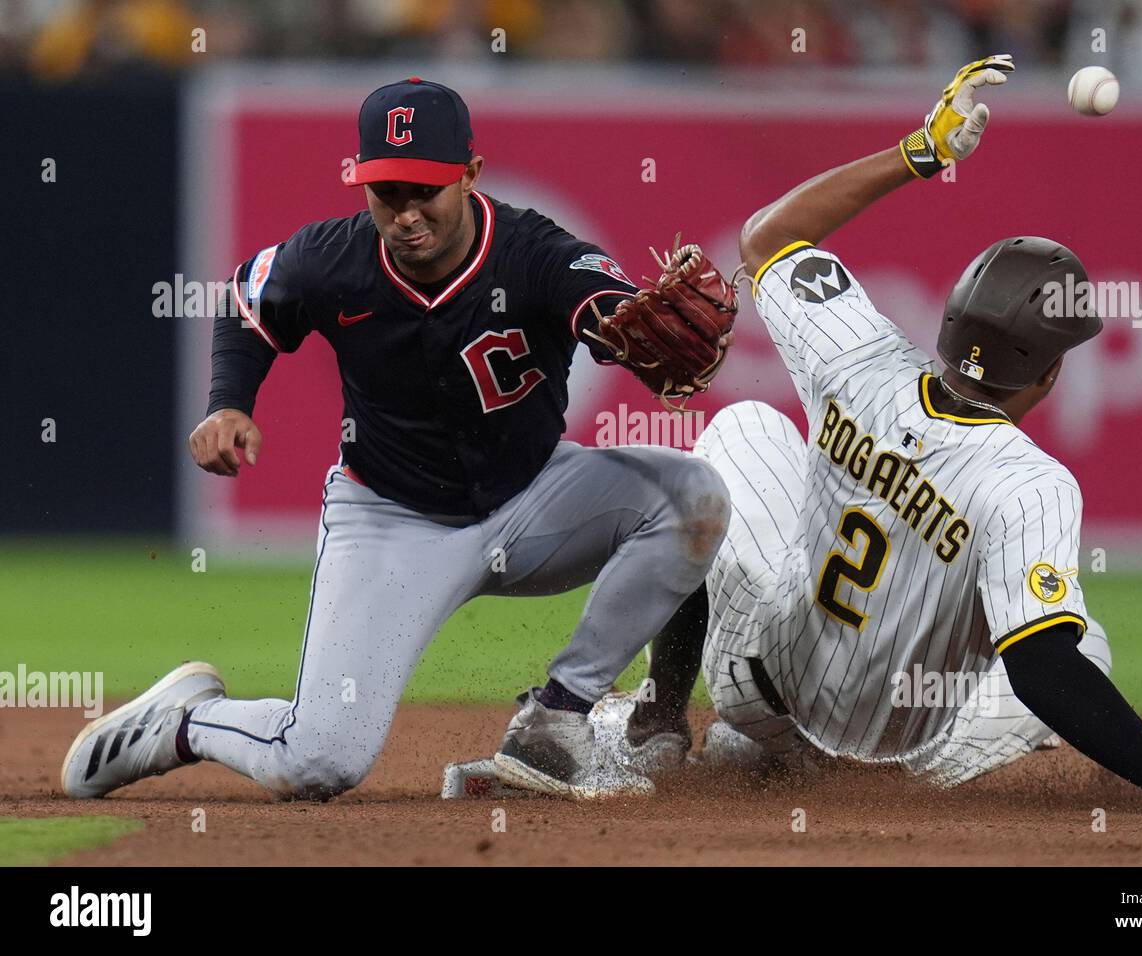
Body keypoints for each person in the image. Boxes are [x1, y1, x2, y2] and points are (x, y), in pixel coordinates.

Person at [594, 56, 1142, 814]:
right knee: (1077, 641)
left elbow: (768, 236)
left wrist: (921, 152)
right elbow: (1043, 671)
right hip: (905, 759)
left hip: (755, 688)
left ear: (950, 322)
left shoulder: (858, 355)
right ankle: (811, 762)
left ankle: (662, 722)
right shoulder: (1029, 484)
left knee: (742, 429)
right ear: (1048, 377)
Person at [61, 77, 733, 802]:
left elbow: (602, 297)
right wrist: (228, 404)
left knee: (693, 495)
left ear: (470, 175)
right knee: (316, 762)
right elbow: (247, 302)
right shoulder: (333, 259)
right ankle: (188, 721)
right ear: (360, 181)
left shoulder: (531, 250)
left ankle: (559, 719)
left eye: (425, 190)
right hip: (390, 520)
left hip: (534, 497)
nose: (407, 213)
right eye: (387, 192)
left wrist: (618, 321)